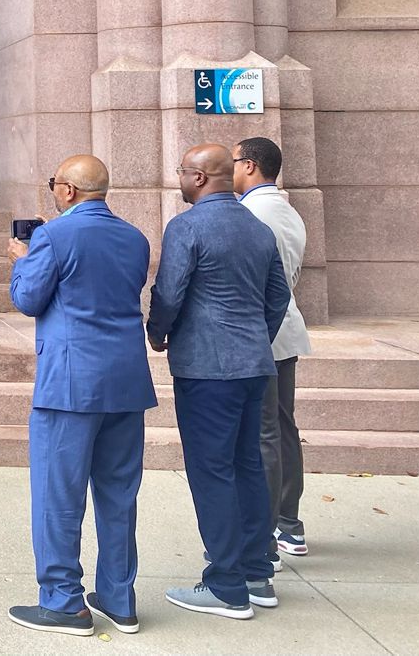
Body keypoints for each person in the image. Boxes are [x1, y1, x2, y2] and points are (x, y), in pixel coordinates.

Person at [5, 155, 158, 638]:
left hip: (70, 382)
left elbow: (28, 299)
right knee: (118, 494)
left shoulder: (54, 235)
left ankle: (64, 601)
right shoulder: (135, 238)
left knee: (58, 494)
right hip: (126, 379)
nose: (53, 191)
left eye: (55, 184)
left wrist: (22, 262)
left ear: (68, 191)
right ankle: (119, 596)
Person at [148, 144, 291, 620]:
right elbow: (278, 297)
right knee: (247, 465)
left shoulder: (187, 226)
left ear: (201, 177)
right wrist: (255, 339)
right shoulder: (257, 227)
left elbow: (169, 292)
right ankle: (256, 573)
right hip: (254, 364)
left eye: (182, 172)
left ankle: (226, 584)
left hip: (208, 369)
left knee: (211, 472)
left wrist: (158, 333)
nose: (179, 180)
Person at [233, 137, 312, 562]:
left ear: (248, 166)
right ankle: (289, 524)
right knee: (281, 428)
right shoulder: (286, 210)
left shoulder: (250, 213)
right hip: (283, 332)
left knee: (265, 433)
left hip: (261, 333)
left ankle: (268, 534)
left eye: (232, 162)